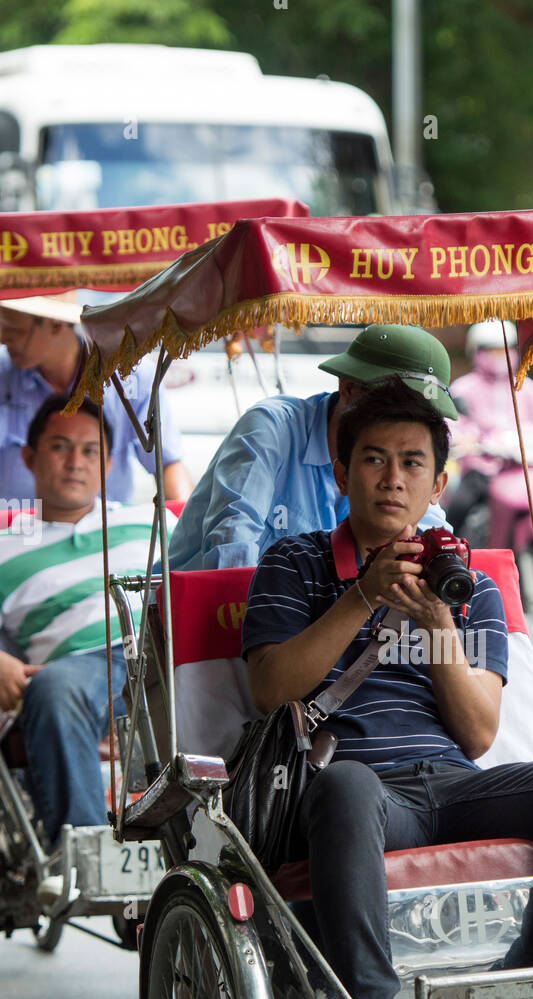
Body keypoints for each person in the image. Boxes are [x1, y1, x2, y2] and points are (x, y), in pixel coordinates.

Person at [241, 380, 533, 999]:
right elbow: (273, 688)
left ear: (438, 481)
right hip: (353, 794)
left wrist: (437, 628)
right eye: (372, 459)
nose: (392, 478)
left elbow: (479, 732)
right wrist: (362, 595)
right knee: (345, 785)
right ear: (341, 472)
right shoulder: (294, 562)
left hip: (454, 786)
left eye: (411, 462)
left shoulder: (468, 584)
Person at [0, 393, 176, 894]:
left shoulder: (149, 522)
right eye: (60, 447)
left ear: (109, 461)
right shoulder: (7, 544)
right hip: (79, 670)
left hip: (165, 653)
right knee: (54, 688)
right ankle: (85, 859)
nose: (75, 462)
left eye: (89, 450)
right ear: (30, 458)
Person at [167, 323, 458, 572]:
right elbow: (230, 549)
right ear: (348, 389)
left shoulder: (398, 477)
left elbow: (430, 535)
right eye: (389, 408)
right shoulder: (272, 429)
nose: (404, 428)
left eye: (421, 418)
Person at [0, 293, 191, 505]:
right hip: (16, 530)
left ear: (55, 324)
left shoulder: (131, 377)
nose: (3, 338)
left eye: (13, 330)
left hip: (103, 533)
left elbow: (167, 464)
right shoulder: (2, 376)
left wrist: (181, 526)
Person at [446, 320, 533, 531]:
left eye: (505, 349)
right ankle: (450, 552)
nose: (499, 356)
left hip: (524, 470)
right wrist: (463, 439)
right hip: (481, 469)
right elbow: (451, 423)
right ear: (476, 351)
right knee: (460, 506)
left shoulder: (527, 387)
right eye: (492, 350)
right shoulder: (463, 388)